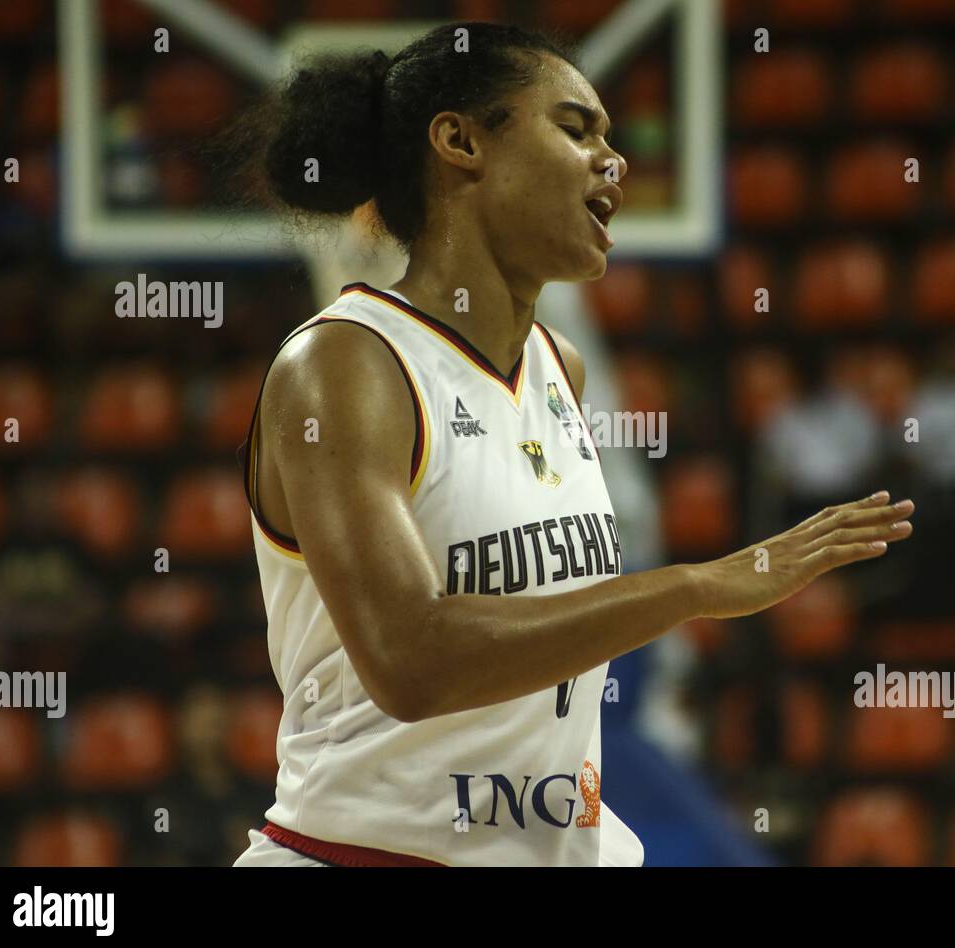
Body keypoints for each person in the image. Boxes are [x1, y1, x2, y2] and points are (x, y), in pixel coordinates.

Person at [228, 21, 914, 867]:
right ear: (460, 142)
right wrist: (694, 588)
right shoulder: (345, 365)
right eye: (576, 128)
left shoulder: (562, 369)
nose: (612, 161)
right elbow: (412, 663)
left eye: (611, 139)